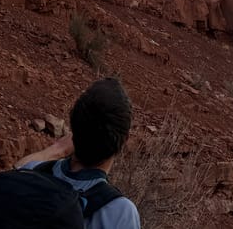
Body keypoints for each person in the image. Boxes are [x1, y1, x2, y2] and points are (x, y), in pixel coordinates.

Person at [14, 77, 141, 229]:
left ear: (73, 128)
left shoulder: (31, 174)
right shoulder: (120, 213)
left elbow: (17, 169)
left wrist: (57, 149)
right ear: (125, 140)